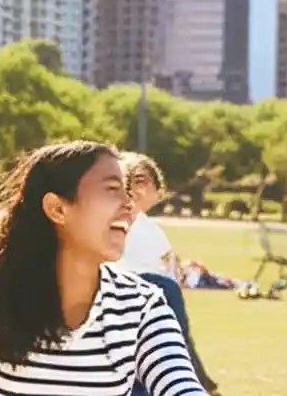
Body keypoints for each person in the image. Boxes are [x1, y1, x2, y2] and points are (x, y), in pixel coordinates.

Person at [0, 141, 207, 396]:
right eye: (112, 189)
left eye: (128, 192)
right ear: (57, 208)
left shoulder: (142, 306)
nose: (129, 205)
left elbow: (182, 388)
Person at [118, 152, 219, 395]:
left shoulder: (110, 222)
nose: (160, 193)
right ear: (141, 184)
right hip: (155, 298)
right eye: (156, 186)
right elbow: (168, 268)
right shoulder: (144, 227)